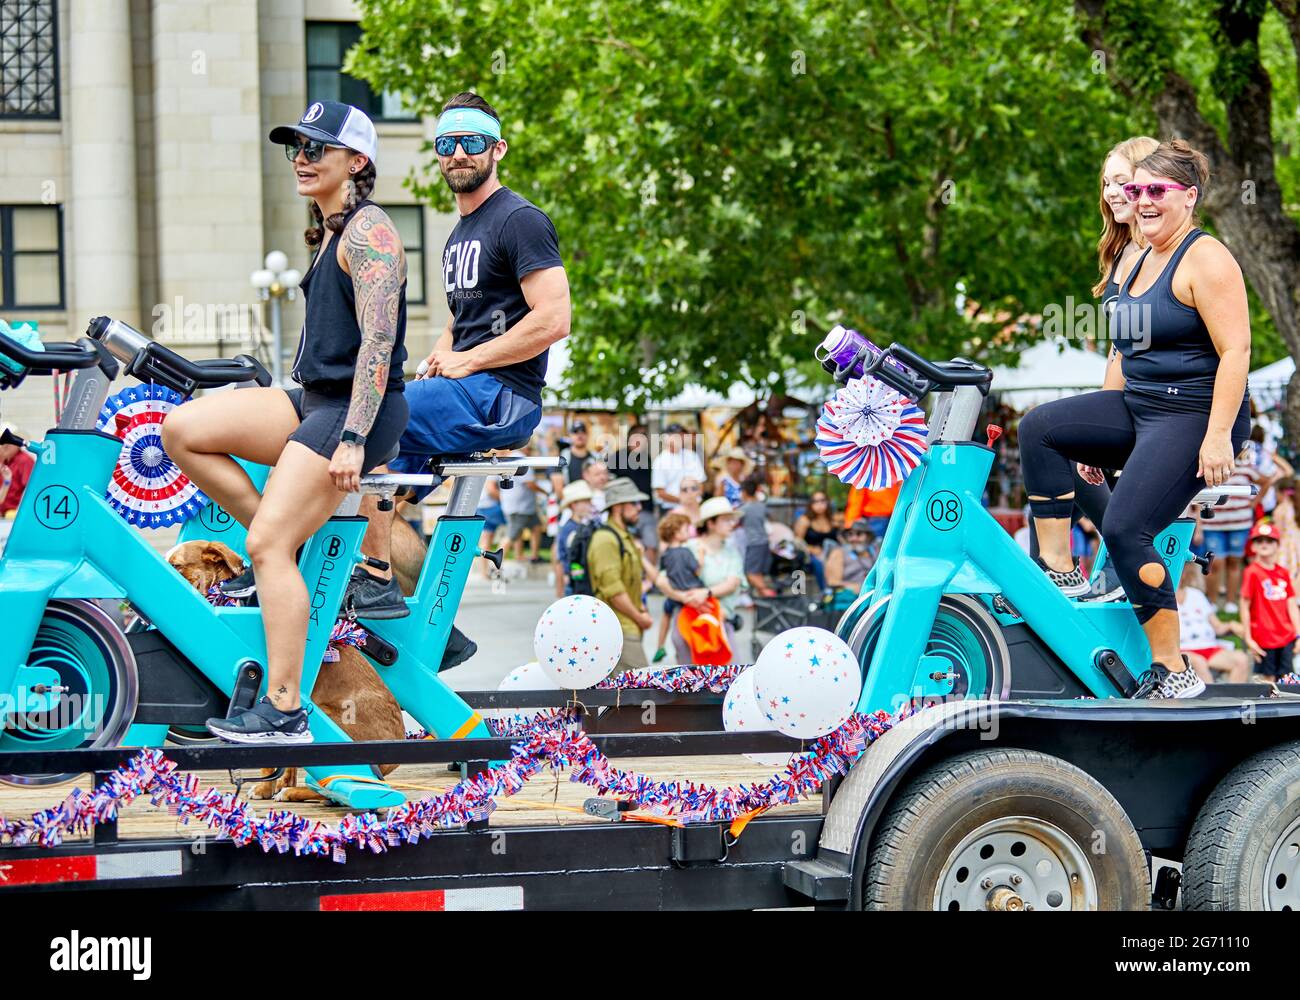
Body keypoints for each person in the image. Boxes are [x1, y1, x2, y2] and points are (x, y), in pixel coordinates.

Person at [161, 100, 411, 743]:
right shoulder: (328, 229)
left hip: (362, 409)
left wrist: (355, 437)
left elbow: (378, 346)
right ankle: (280, 541)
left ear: (357, 161)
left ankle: (283, 710)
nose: (301, 158)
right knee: (183, 431)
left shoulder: (370, 230)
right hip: (313, 399)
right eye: (295, 147)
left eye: (316, 148)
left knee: (266, 547)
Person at [1019, 139, 1252, 699]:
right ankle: (1059, 569)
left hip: (1194, 414)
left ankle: (1174, 669)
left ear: (1188, 197)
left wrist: (1219, 436)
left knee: (1126, 528)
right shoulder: (1136, 255)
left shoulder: (1206, 258)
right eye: (1135, 190)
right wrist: (1097, 436)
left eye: (1156, 191)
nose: (1142, 200)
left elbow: (1237, 351)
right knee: (1038, 429)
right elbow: (1123, 352)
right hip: (1140, 406)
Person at [347, 92, 570, 656]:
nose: (458, 154)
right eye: (447, 145)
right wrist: (436, 356)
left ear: (497, 148)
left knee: (368, 417)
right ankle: (436, 632)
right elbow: (461, 322)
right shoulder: (457, 237)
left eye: (471, 142)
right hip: (462, 388)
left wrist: (468, 361)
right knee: (371, 497)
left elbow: (554, 317)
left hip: (502, 397)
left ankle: (373, 582)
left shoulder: (520, 220)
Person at [1027, 136, 1160, 604]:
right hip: (1133, 399)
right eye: (1106, 182)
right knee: (1049, 465)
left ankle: (1069, 568)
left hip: (1167, 408)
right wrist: (1100, 418)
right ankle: (1066, 571)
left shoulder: (1167, 252)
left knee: (1040, 433)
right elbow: (1118, 350)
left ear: (1150, 184)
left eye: (1121, 181)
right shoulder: (1121, 252)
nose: (1110, 191)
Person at [587, 477, 654, 670]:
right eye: (634, 503)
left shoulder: (623, 537)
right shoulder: (605, 540)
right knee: (644, 691)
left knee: (626, 695)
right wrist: (640, 617)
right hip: (618, 629)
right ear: (618, 507)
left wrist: (640, 611)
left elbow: (632, 582)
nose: (639, 507)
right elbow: (614, 592)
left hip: (628, 625)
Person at [671, 496, 747, 662]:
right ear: (710, 523)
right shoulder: (689, 548)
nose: (731, 524)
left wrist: (705, 593)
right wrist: (685, 597)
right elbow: (664, 580)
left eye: (732, 520)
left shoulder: (732, 552)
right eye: (726, 520)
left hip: (721, 622)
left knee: (729, 677)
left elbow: (733, 583)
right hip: (690, 623)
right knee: (690, 681)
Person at [1201, 444, 1265, 612]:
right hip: (1214, 524)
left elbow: (1266, 481)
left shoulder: (1245, 468)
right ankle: (1212, 602)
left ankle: (1230, 601)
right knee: (1215, 563)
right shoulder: (1208, 465)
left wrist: (1254, 503)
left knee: (1234, 563)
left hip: (1239, 523)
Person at [1240, 521, 1299, 679]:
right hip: (1263, 638)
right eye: (1259, 541)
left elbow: (1292, 605)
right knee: (1267, 681)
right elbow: (1244, 606)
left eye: (1269, 540)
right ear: (1253, 546)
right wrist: (1248, 638)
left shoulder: (1284, 573)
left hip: (1287, 636)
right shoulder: (1251, 572)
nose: (1264, 544)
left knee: (1288, 679)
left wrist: (1298, 635)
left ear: (1277, 545)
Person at [1176, 563, 1249, 684]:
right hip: (1182, 650)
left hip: (1209, 647)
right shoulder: (1163, 598)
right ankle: (1212, 700)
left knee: (1241, 659)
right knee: (1199, 663)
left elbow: (1218, 626)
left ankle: (1234, 701)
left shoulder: (1197, 595)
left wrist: (1231, 624)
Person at [608, 422, 658, 564]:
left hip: (645, 511)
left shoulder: (647, 459)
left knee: (651, 544)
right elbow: (609, 483)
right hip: (623, 510)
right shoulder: (617, 457)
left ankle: (650, 581)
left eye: (644, 436)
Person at [499, 448, 546, 564]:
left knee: (536, 527)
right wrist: (545, 492)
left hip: (521, 505)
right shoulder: (520, 459)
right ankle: (495, 561)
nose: (531, 450)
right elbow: (529, 483)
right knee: (511, 535)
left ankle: (530, 556)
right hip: (519, 507)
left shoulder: (511, 458)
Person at [651, 422, 706, 513]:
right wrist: (682, 501)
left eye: (682, 435)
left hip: (694, 507)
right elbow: (660, 492)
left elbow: (701, 482)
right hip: (671, 509)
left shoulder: (692, 456)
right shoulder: (660, 461)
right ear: (667, 438)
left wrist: (693, 499)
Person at [825, 518, 878, 610]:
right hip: (849, 600)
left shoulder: (875, 552)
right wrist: (856, 587)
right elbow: (832, 581)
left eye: (859, 534)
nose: (854, 538)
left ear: (868, 536)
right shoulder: (839, 553)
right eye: (850, 534)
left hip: (873, 596)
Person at [555, 479, 595, 595]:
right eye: (586, 501)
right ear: (574, 505)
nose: (590, 505)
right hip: (576, 582)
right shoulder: (568, 529)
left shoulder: (587, 526)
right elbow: (564, 557)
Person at [738, 475, 776, 598]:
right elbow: (769, 517)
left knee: (751, 573)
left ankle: (770, 595)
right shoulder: (761, 506)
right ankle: (764, 599)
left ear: (744, 492)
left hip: (754, 544)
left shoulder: (744, 509)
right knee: (758, 573)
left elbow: (734, 522)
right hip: (765, 543)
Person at [795, 491, 839, 592]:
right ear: (810, 504)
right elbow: (797, 541)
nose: (819, 504)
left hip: (831, 552)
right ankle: (826, 591)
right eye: (815, 501)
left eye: (822, 501)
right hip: (811, 554)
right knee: (818, 562)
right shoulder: (805, 520)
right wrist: (811, 549)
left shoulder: (832, 519)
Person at [0, 423, 35, 518]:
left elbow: (31, 489)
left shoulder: (25, 461)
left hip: (14, 515)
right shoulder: (4, 461)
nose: (4, 447)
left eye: (7, 443)